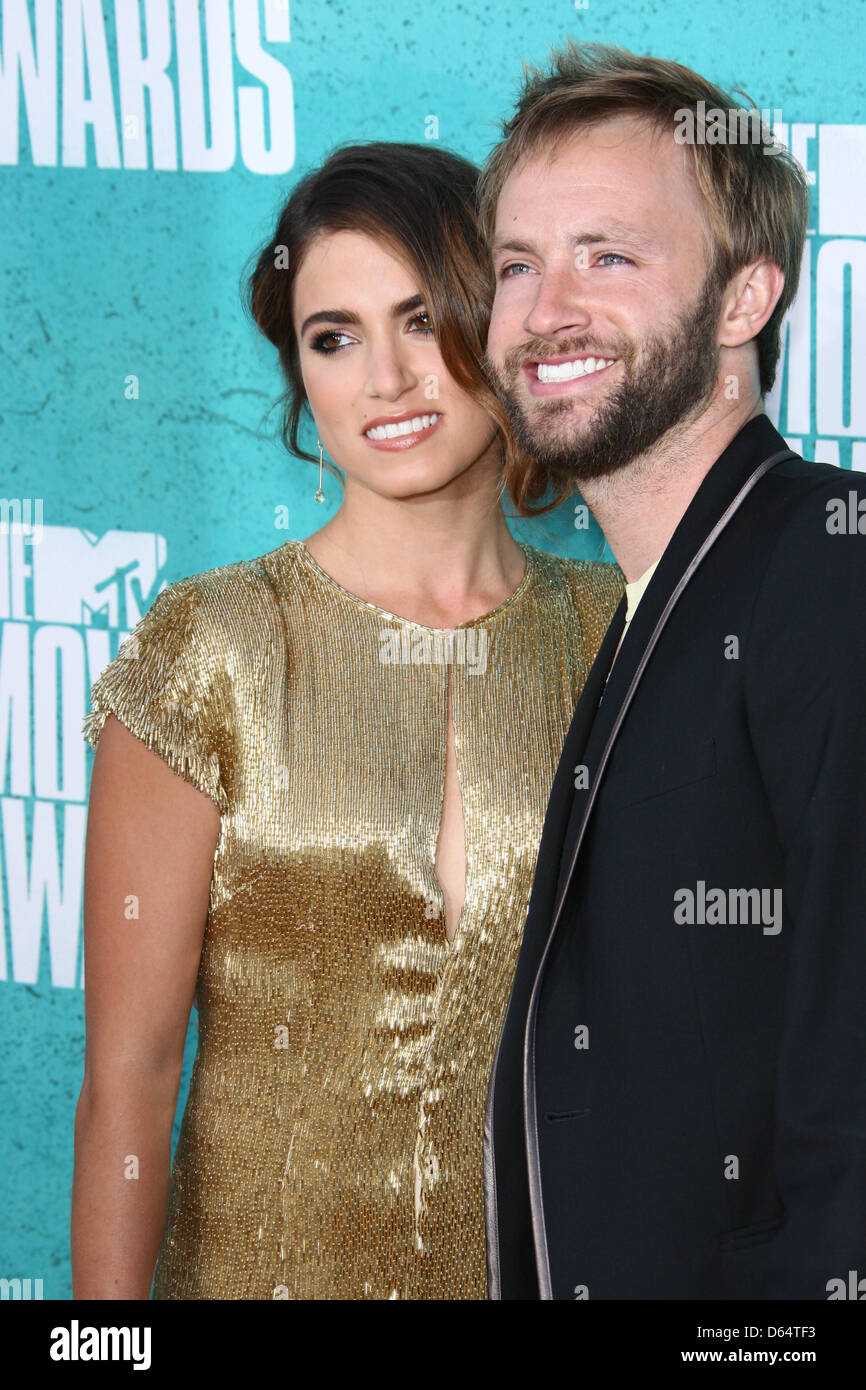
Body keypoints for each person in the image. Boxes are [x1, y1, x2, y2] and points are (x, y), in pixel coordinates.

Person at [70, 140, 623, 1300]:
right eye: (333, 337)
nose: (384, 378)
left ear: (500, 323)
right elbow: (129, 1075)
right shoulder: (210, 646)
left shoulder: (614, 634)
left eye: (423, 321)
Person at [480, 41, 866, 1299]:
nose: (545, 312)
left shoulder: (824, 558)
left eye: (608, 255)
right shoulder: (656, 600)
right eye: (516, 265)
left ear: (744, 301)